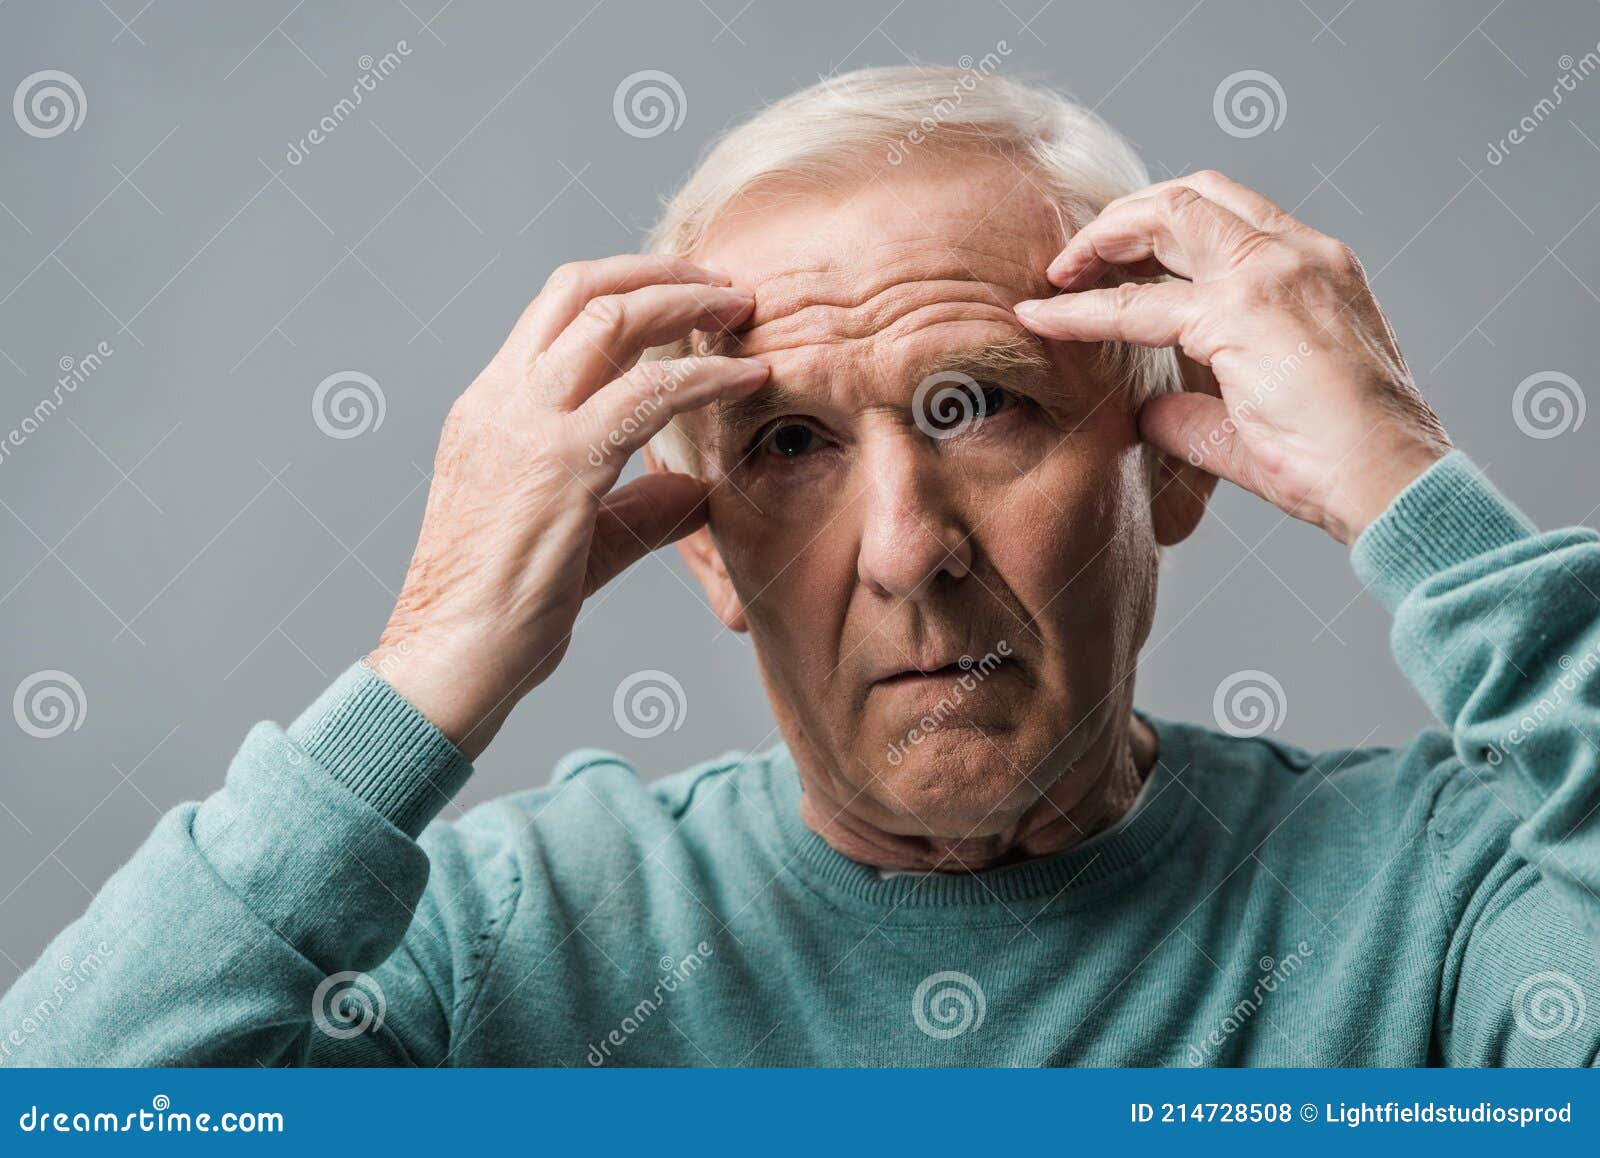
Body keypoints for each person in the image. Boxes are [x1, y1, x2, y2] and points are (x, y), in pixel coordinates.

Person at [3, 67, 1596, 1067]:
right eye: (785, 447)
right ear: (704, 553)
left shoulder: (1443, 893)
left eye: (977, 410)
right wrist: (429, 661)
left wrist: (1413, 489)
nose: (906, 548)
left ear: (1170, 471)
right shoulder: (527, 939)